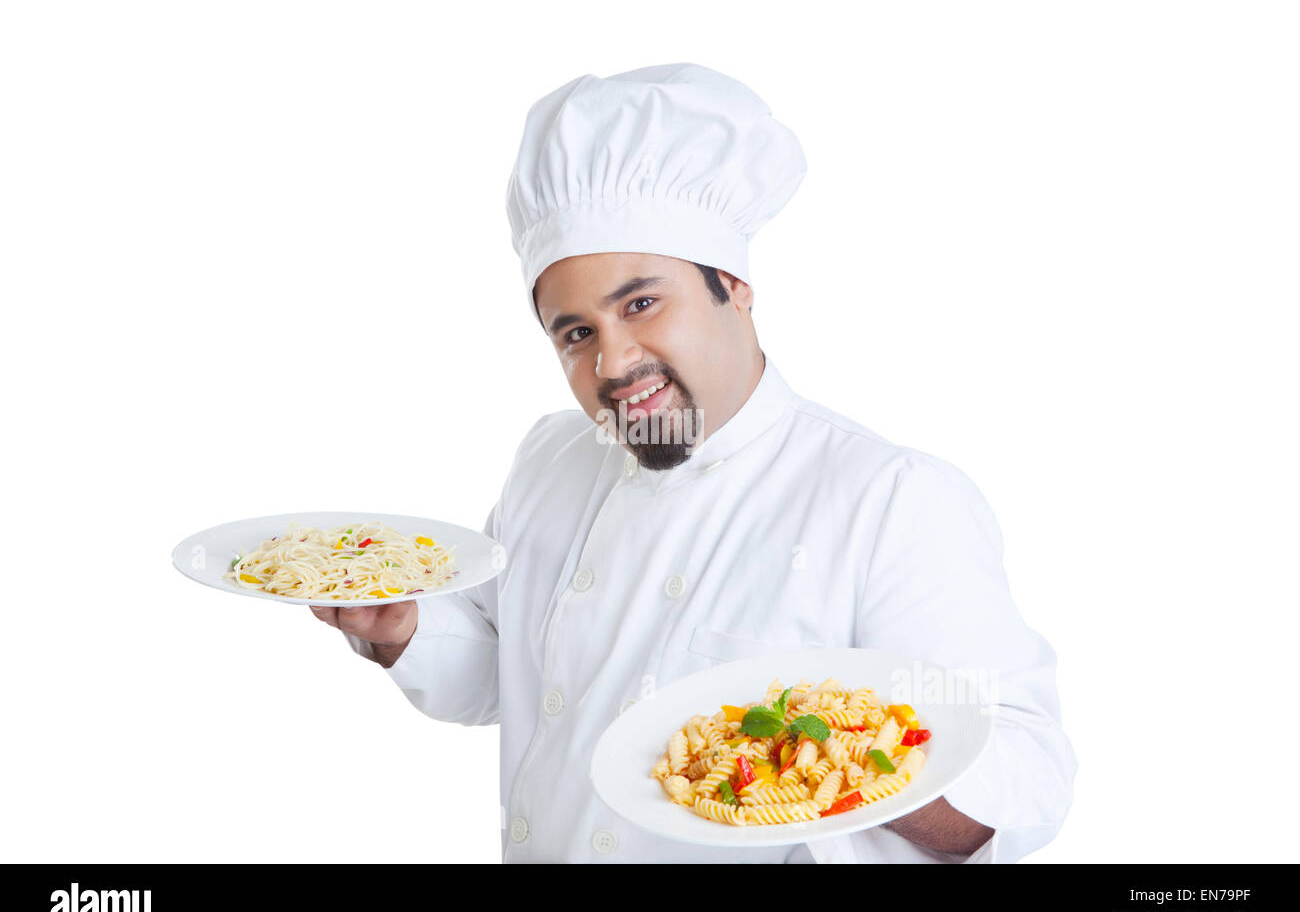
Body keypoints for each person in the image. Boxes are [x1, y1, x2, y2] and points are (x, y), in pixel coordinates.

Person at [310, 63, 1077, 863]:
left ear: (735, 286)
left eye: (641, 304)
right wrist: (400, 629)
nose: (612, 363)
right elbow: (515, 681)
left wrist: (845, 757)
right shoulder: (551, 460)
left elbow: (1026, 774)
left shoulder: (887, 500)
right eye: (575, 333)